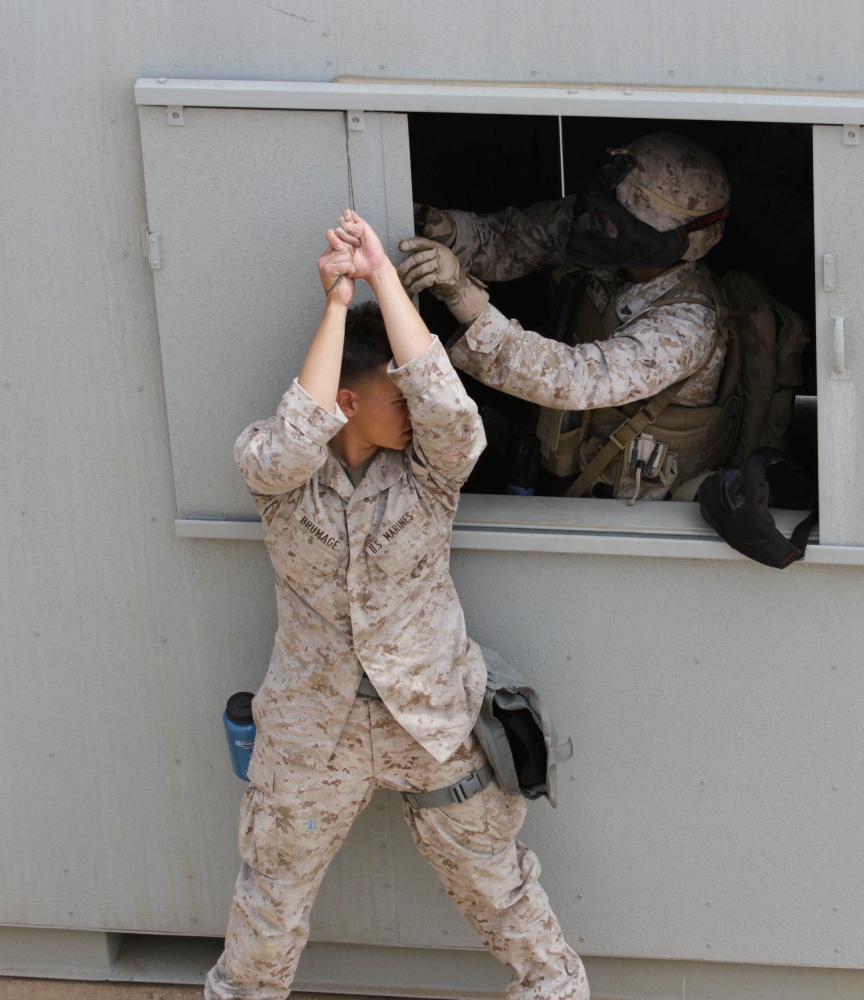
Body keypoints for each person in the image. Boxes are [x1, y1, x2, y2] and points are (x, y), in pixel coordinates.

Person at [205, 209, 588, 1000]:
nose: (412, 407)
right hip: (316, 731)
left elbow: (454, 417)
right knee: (266, 913)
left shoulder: (428, 474)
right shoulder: (276, 474)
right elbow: (291, 439)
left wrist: (381, 274)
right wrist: (337, 305)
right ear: (347, 402)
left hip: (434, 724)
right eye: (392, 396)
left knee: (505, 898)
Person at [397, 132, 732, 501]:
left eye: (614, 220)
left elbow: (573, 378)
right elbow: (511, 239)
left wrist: (464, 298)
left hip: (636, 503)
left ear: (660, 243)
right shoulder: (604, 235)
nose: (595, 221)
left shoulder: (686, 324)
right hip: (573, 457)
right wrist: (445, 231)